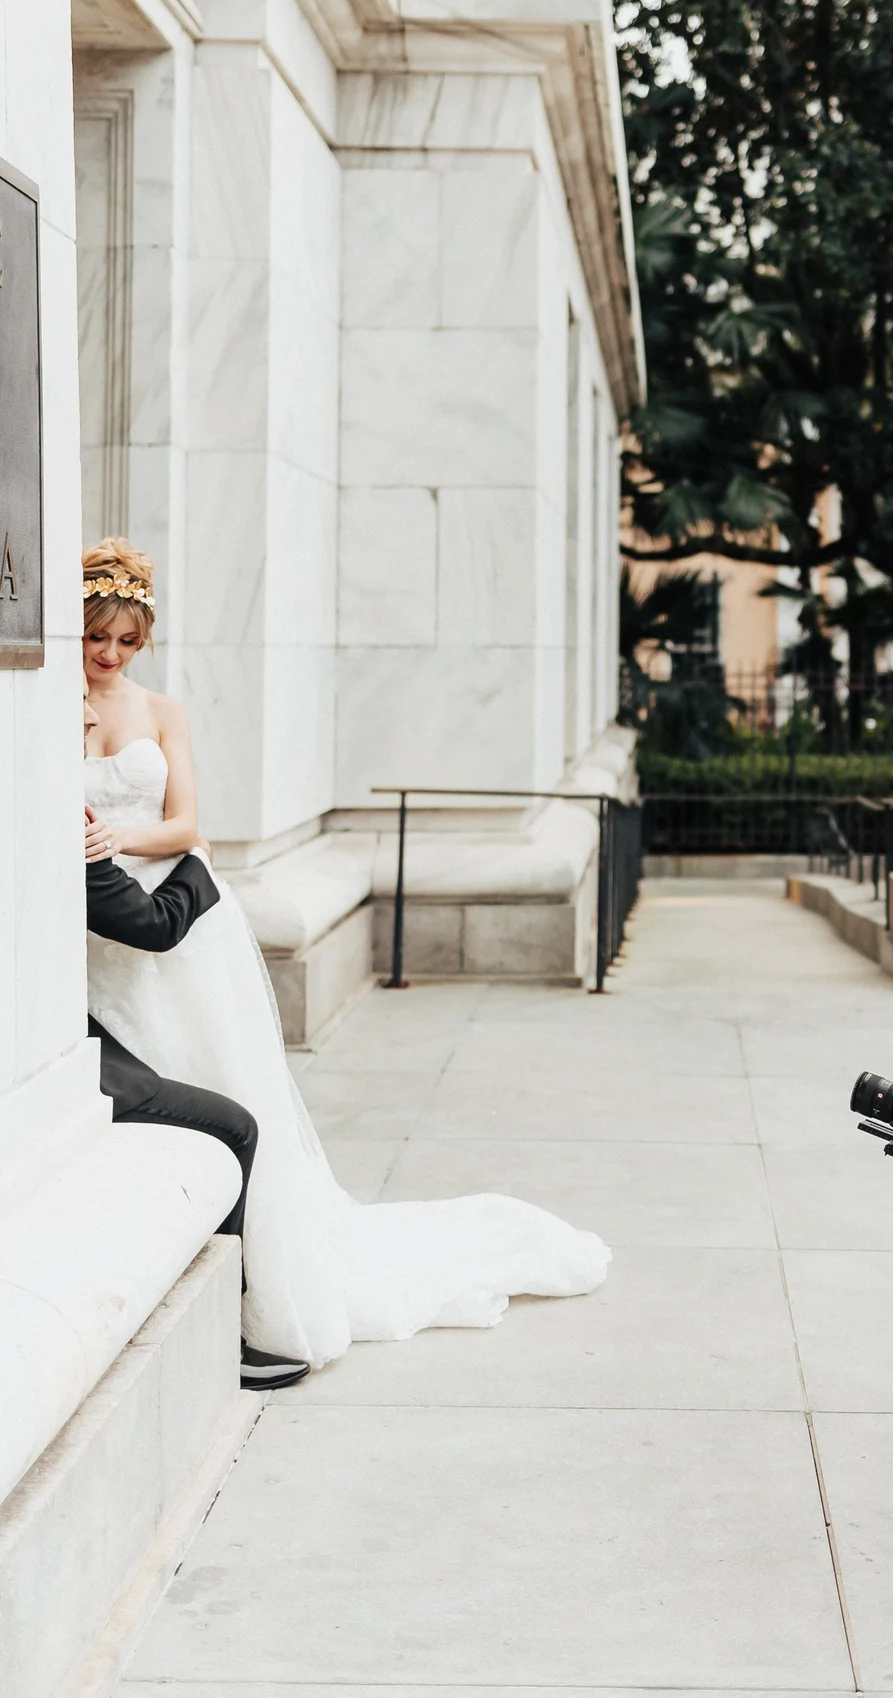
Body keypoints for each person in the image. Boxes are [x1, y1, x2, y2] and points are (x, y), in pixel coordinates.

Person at [82, 537, 611, 1367]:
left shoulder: (161, 711)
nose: (109, 655)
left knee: (226, 1080)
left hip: (183, 927)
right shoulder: (51, 711)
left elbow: (190, 826)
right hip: (104, 938)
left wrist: (124, 836)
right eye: (95, 637)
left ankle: (261, 1279)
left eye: (126, 640)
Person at [84, 702, 309, 1390]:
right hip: (84, 1024)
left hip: (100, 997)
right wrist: (201, 864)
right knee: (236, 1124)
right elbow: (156, 925)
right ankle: (225, 1333)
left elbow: (180, 823)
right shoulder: (68, 828)